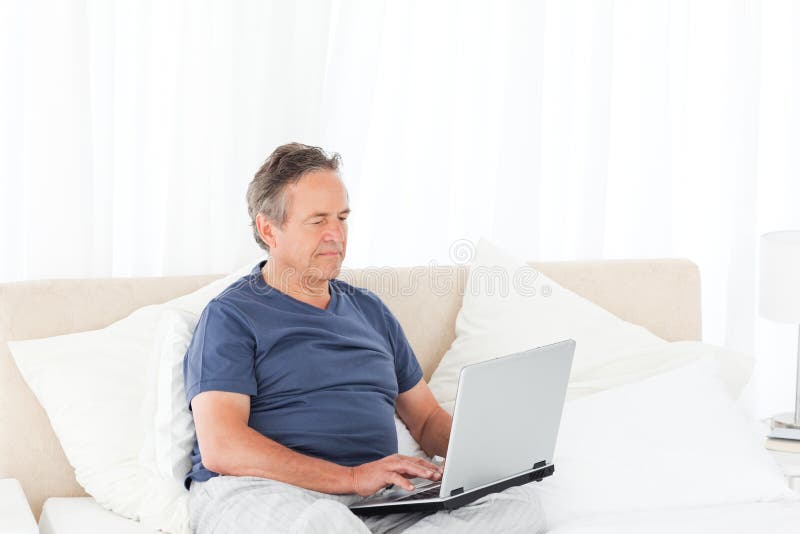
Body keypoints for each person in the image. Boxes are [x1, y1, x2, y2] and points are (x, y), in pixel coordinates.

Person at [183, 143, 547, 533]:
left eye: (342, 218)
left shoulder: (370, 311)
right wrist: (352, 477)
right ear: (268, 229)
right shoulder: (232, 316)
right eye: (317, 221)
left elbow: (425, 419)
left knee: (517, 504)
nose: (336, 234)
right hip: (263, 490)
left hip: (375, 497)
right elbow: (222, 446)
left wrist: (486, 458)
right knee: (326, 526)